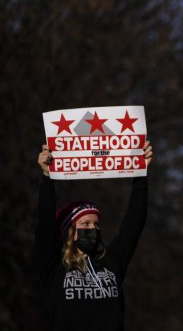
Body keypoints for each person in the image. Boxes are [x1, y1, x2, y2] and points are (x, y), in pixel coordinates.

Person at [36, 141, 153, 331]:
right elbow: (45, 225)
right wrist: (47, 176)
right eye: (85, 224)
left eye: (96, 224)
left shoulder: (111, 261)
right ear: (71, 232)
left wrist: (141, 174)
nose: (93, 228)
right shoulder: (55, 266)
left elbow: (134, 222)